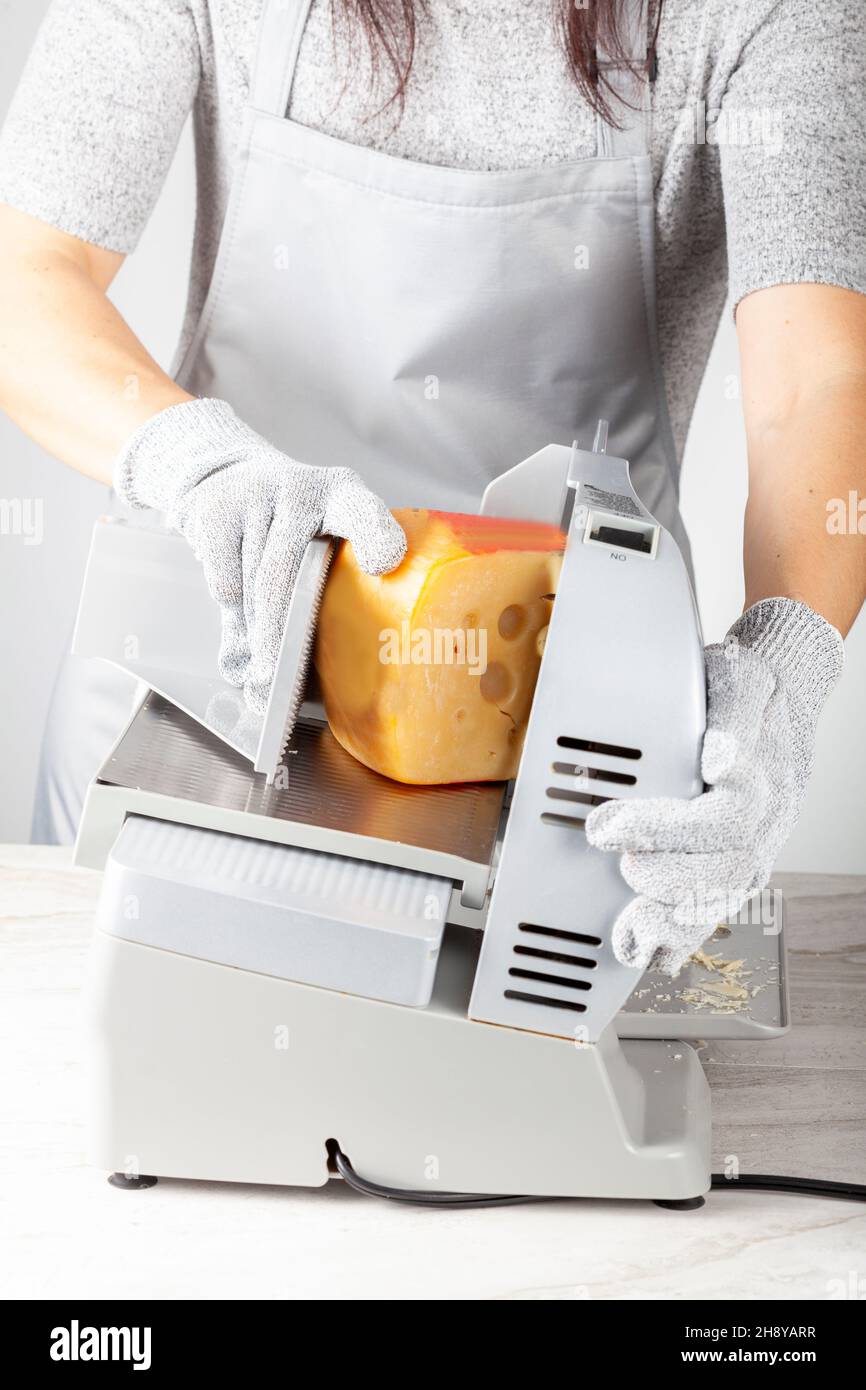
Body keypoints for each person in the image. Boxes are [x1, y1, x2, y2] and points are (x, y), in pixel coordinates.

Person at [0, 0, 863, 972]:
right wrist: (198, 461)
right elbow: (25, 270)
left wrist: (785, 662)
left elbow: (816, 383)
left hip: (554, 774)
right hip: (193, 719)